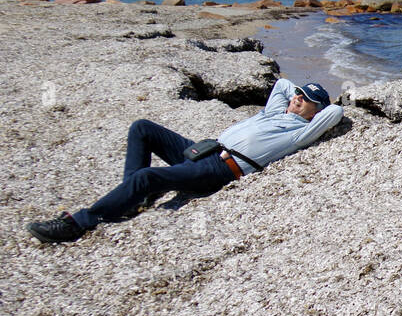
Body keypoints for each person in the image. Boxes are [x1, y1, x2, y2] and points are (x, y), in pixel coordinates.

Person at [27, 79, 343, 243]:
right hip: (203, 150)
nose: (298, 98)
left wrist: (318, 104)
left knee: (147, 176)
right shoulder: (277, 109)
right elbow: (283, 83)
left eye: (307, 100)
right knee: (142, 128)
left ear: (315, 111)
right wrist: (300, 93)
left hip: (218, 170)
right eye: (299, 95)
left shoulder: (301, 130)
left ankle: (80, 222)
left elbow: (335, 112)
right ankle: (133, 197)